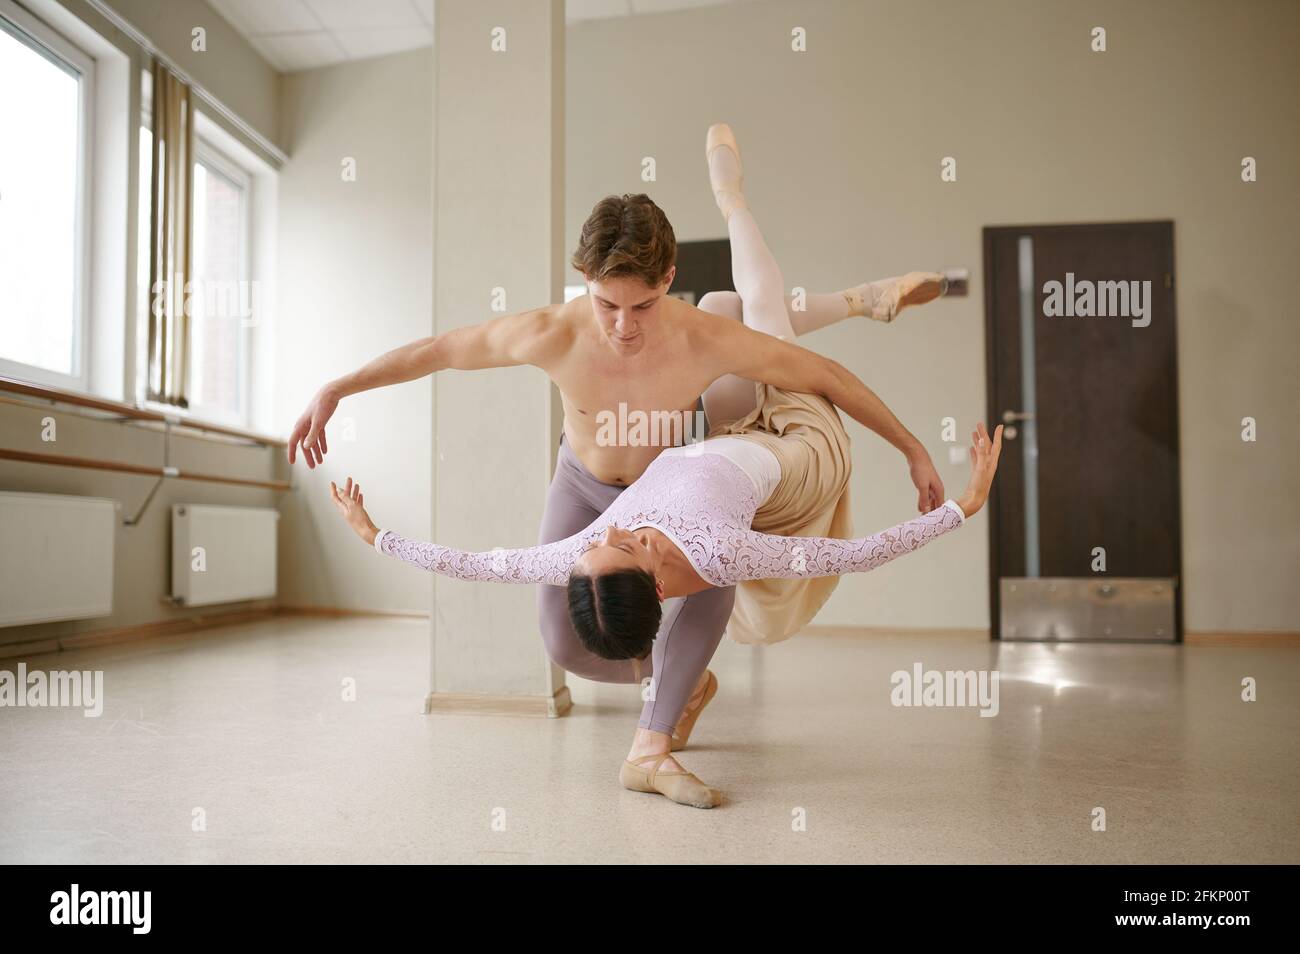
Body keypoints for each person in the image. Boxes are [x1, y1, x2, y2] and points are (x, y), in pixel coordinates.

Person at [325, 125, 1001, 808]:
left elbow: (822, 375)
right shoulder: (550, 332)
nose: (623, 326)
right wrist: (337, 391)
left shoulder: (697, 338)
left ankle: (654, 739)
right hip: (585, 485)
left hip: (680, 492)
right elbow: (441, 350)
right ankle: (684, 682)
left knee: (737, 323)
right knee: (564, 639)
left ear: (666, 280)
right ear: (585, 282)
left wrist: (914, 448)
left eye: (642, 306)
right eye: (607, 305)